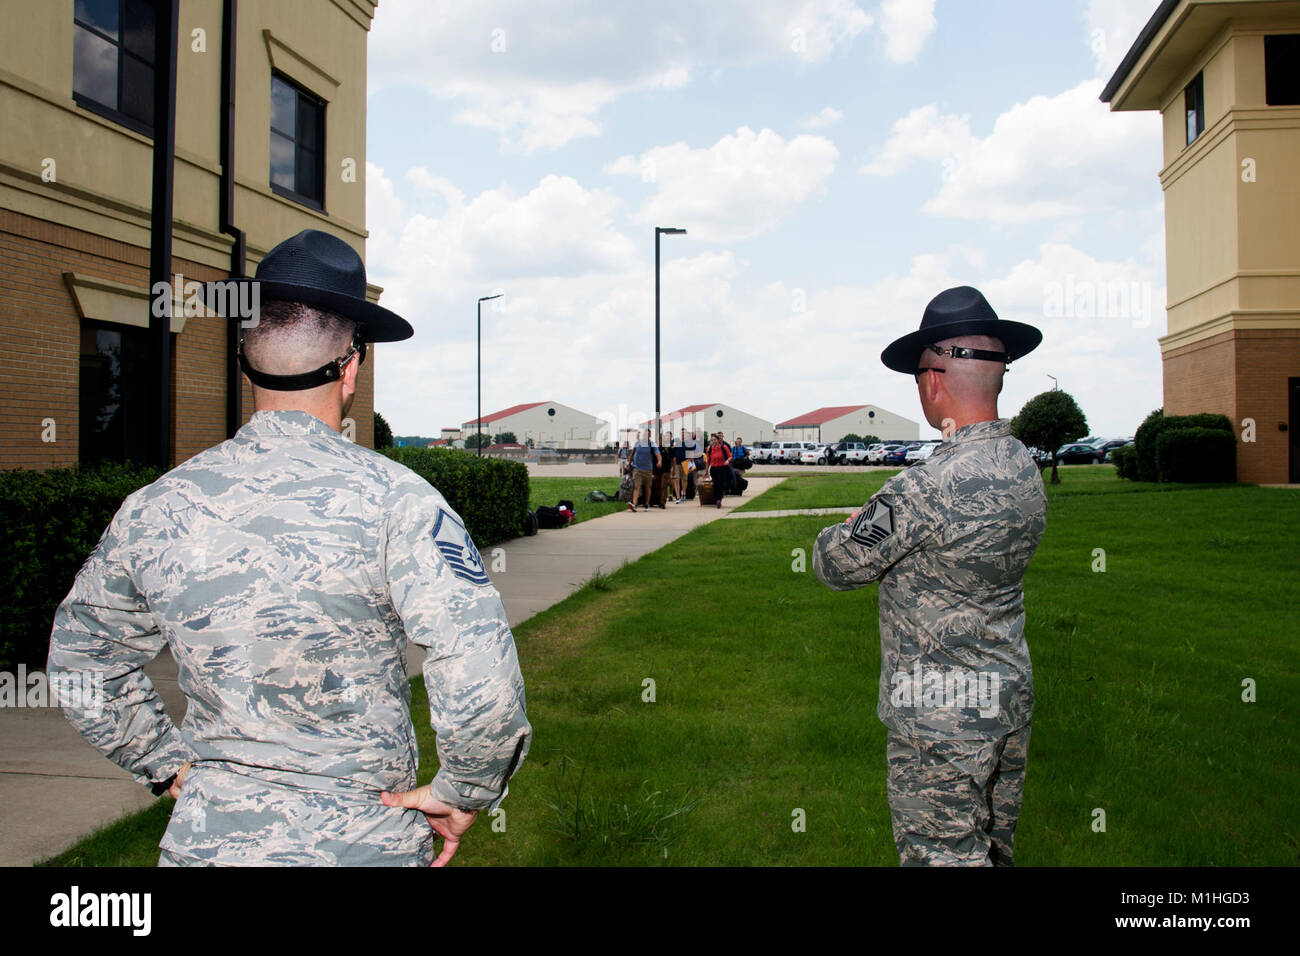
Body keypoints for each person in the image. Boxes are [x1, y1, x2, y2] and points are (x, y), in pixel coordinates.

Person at [46, 229, 531, 867]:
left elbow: (82, 662)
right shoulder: (398, 501)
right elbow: (480, 673)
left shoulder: (156, 508)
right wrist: (464, 789)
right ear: (351, 366)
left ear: (244, 363)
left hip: (208, 845)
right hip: (362, 845)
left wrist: (164, 767)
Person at [812, 285, 1046, 867]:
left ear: (933, 380)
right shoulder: (1022, 466)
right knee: (992, 850)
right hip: (1006, 695)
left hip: (940, 717)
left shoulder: (925, 486)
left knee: (941, 855)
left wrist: (854, 526)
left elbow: (834, 564)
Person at [627, 429, 660, 512]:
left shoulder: (652, 444)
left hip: (648, 470)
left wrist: (660, 461)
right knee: (637, 486)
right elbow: (632, 453)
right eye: (644, 434)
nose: (645, 436)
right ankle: (634, 504)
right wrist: (629, 463)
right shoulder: (637, 443)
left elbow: (658, 454)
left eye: (647, 434)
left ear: (649, 435)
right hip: (637, 468)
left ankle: (646, 504)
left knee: (647, 487)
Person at [705, 434, 732, 509]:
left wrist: (727, 460)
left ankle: (719, 500)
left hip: (722, 468)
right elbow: (708, 461)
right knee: (715, 485)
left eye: (715, 440)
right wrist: (706, 471)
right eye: (712, 440)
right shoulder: (709, 449)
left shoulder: (724, 447)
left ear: (718, 440)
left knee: (720, 484)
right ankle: (717, 499)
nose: (713, 441)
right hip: (713, 469)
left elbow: (730, 456)